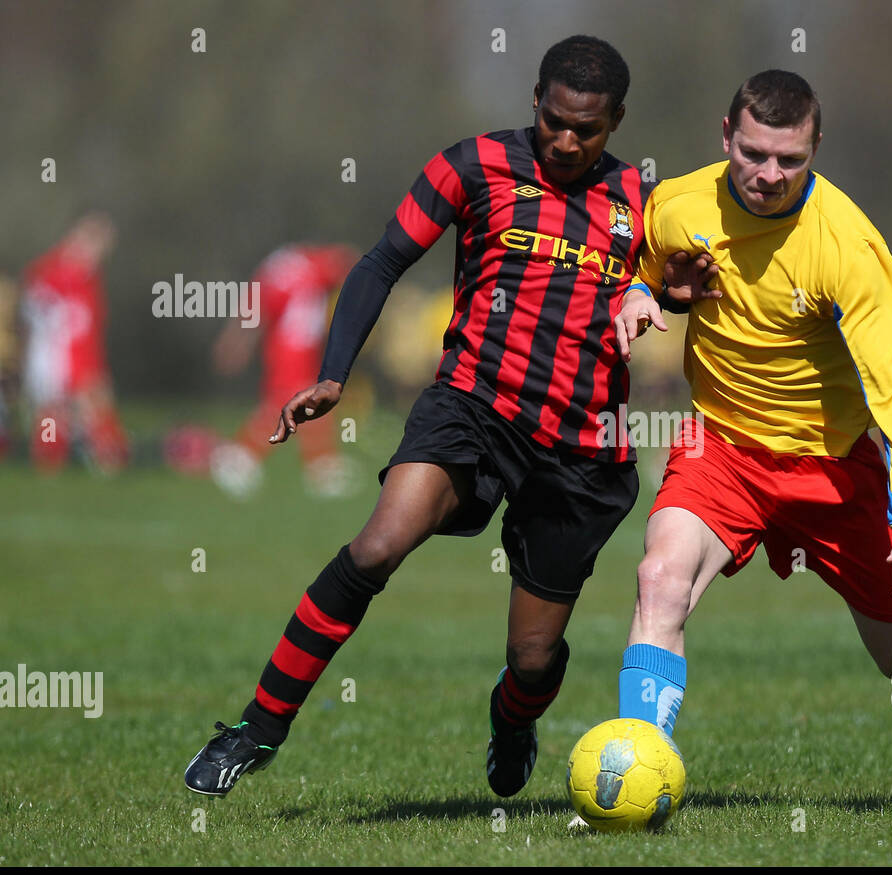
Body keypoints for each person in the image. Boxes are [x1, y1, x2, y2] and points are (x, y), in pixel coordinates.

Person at [184, 35, 701, 799]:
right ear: (535, 101)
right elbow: (380, 261)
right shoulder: (471, 165)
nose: (565, 139)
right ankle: (257, 729)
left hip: (580, 446)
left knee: (531, 658)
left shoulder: (645, 203)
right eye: (554, 120)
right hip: (472, 407)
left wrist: (678, 291)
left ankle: (513, 719)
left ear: (616, 121)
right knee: (375, 546)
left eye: (585, 129)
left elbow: (669, 291)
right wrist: (333, 374)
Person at [610, 70, 892, 737]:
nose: (768, 174)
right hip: (719, 447)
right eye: (752, 153)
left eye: (789, 160)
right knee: (659, 578)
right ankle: (638, 761)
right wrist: (641, 292)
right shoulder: (678, 205)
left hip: (830, 468)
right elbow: (642, 268)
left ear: (817, 147)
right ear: (726, 135)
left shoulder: (850, 247)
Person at [209, 242, 356, 498]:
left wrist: (236, 341)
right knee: (288, 401)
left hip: (303, 348)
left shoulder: (304, 266)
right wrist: (235, 342)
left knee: (310, 399)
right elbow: (258, 308)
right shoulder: (297, 269)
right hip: (288, 348)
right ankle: (241, 456)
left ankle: (321, 466)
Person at [21, 213, 129, 473]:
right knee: (58, 409)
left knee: (78, 407)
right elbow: (35, 310)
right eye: (97, 244)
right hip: (57, 354)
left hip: (81, 353)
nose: (100, 253)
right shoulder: (53, 271)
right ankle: (58, 460)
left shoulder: (88, 276)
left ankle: (100, 458)